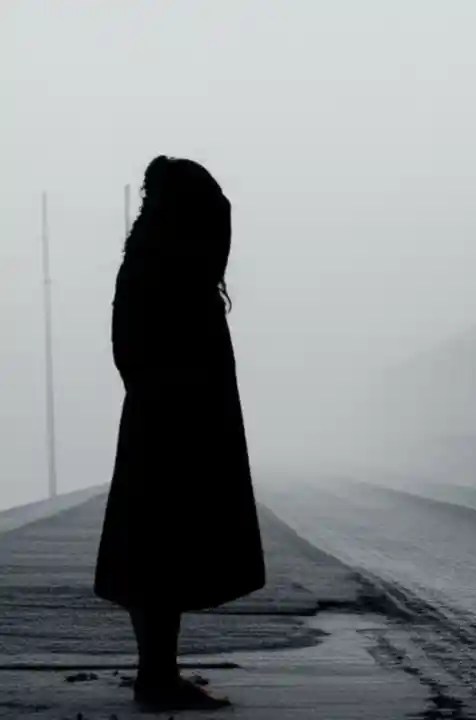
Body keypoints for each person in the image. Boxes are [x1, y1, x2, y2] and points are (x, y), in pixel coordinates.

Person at [94, 156, 266, 711]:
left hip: (162, 423)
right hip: (173, 428)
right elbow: (137, 350)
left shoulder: (150, 259)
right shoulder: (169, 268)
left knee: (157, 551)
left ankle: (157, 674)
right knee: (162, 552)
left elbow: (128, 349)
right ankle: (157, 679)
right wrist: (173, 398)